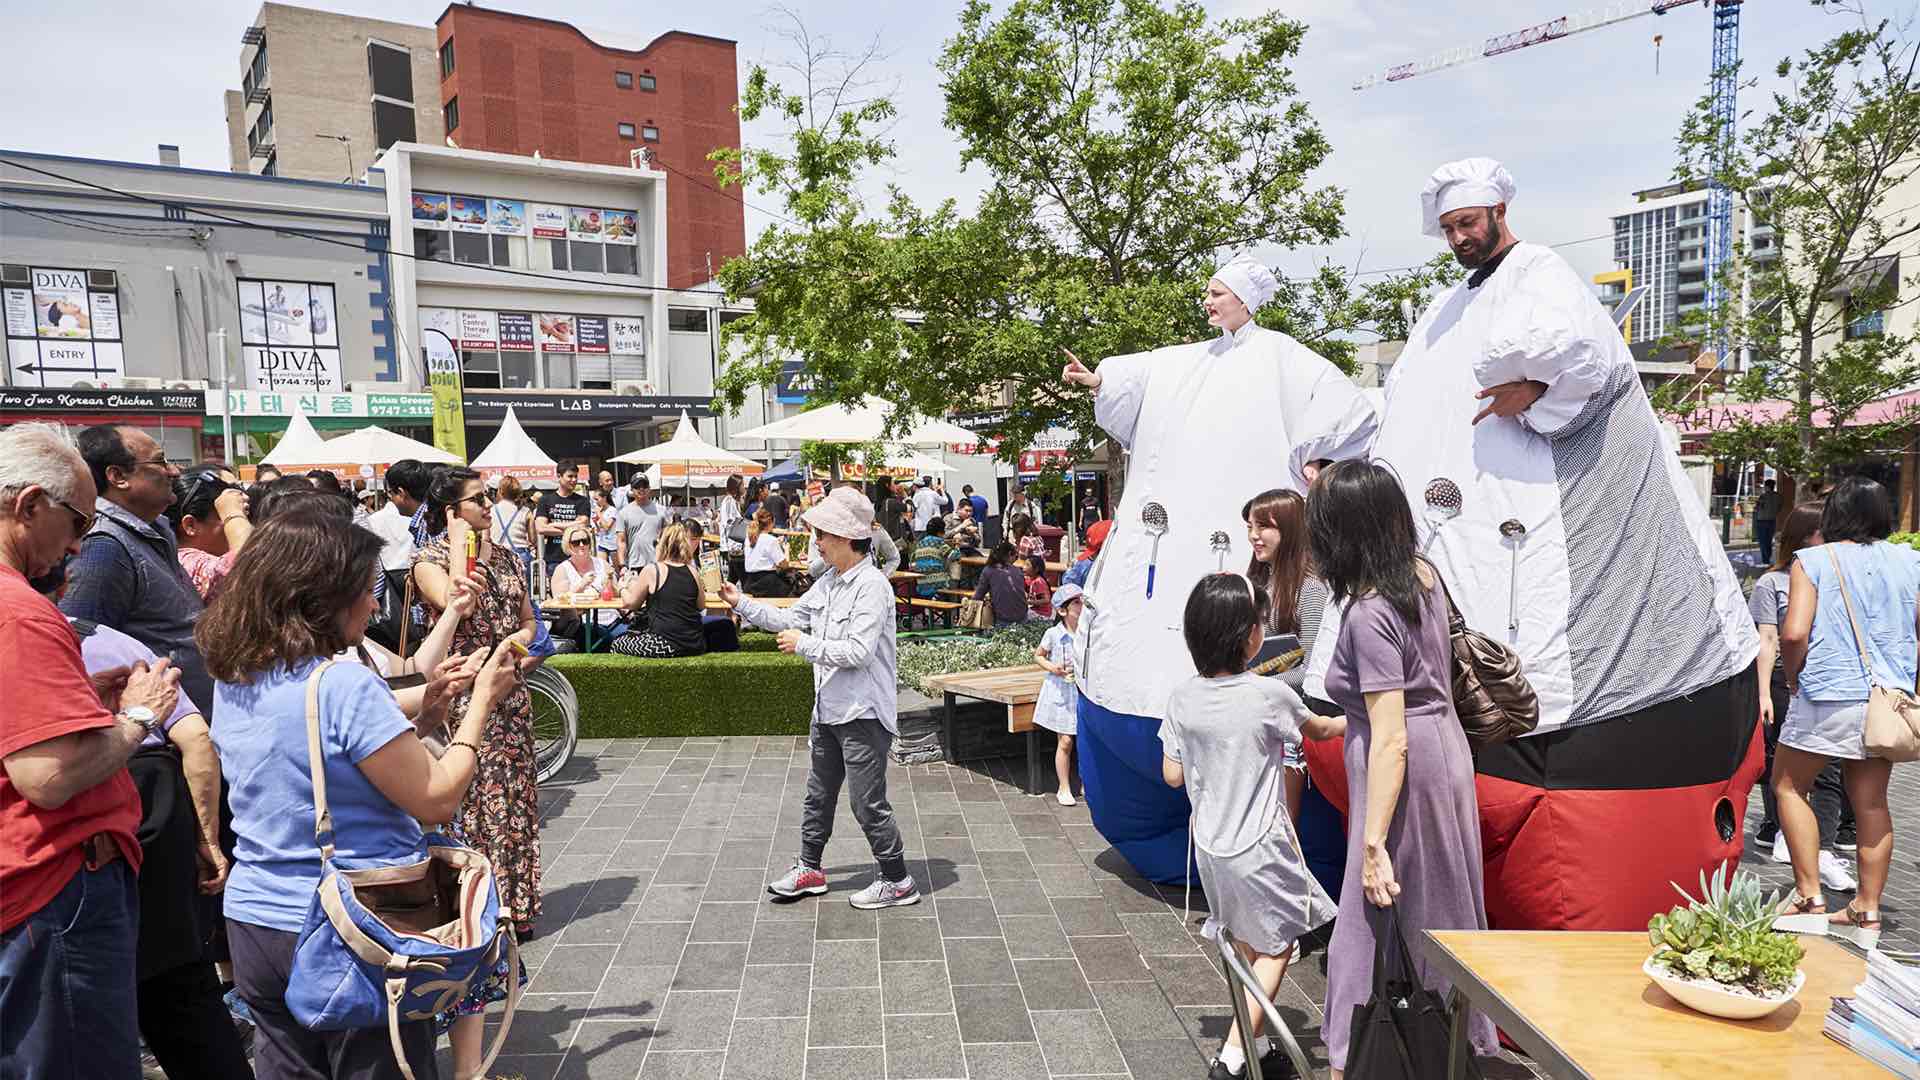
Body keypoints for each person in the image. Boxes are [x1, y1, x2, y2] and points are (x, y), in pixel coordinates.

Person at [1302, 157, 1761, 931]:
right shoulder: (1444, 314)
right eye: (1447, 228)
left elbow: (1571, 358)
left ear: (1498, 209)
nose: (1458, 237)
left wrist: (1536, 390)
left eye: (1467, 222)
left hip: (1595, 715)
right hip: (1454, 726)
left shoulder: (1542, 276)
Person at [1060, 255, 1377, 882]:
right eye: (1207, 292)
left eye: (1217, 292)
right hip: (1138, 678)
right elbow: (1133, 381)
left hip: (1265, 706)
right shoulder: (1180, 363)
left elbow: (1349, 414)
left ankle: (1282, 870)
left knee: (1278, 772)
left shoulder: (1288, 362)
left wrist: (1316, 459)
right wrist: (1101, 383)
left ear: (1245, 298)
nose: (1207, 301)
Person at [199, 506, 516, 1080]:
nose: (374, 604)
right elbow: (437, 797)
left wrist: (423, 715)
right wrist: (482, 705)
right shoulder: (343, 681)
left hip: (255, 919)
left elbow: (310, 763)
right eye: (363, 591)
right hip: (351, 923)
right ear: (321, 596)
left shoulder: (234, 675)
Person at [0, 422, 183, 1079]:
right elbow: (47, 776)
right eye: (77, 523)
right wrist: (140, 717)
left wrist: (83, 702)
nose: (80, 547)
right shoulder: (20, 611)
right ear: (28, 506)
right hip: (53, 888)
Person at [1307, 460, 1497, 1076]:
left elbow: (1391, 736)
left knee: (1368, 928)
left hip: (1403, 773)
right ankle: (1453, 1046)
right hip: (1443, 754)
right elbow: (1416, 691)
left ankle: (1355, 1059)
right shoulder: (1422, 576)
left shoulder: (1367, 611)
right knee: (1443, 913)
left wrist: (1370, 843)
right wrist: (1342, 726)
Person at [33, 556, 251, 1080]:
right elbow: (195, 738)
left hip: (78, 854)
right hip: (143, 834)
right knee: (182, 992)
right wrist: (206, 839)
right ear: (64, 583)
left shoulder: (44, 648)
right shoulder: (113, 645)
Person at [1160, 574, 1340, 1080]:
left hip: (1210, 848)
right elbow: (1321, 730)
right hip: (1261, 845)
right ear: (1249, 637)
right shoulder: (1267, 695)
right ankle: (1234, 1058)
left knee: (1243, 944)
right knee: (1279, 945)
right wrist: (1370, 716)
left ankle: (1257, 1048)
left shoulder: (1181, 697)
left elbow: (1172, 775)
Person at [722, 487, 918, 909]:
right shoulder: (829, 581)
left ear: (847, 537)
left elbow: (859, 653)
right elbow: (790, 617)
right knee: (818, 795)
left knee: (866, 803)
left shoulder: (872, 587)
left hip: (863, 711)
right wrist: (743, 603)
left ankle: (898, 879)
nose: (816, 541)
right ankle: (810, 867)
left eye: (823, 533)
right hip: (828, 708)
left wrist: (804, 645)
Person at [1770, 476, 1920, 949]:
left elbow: (1794, 633)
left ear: (1834, 513)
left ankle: (1810, 896)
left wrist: (1793, 678)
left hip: (1827, 693)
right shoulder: (1910, 560)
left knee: (1790, 786)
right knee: (1872, 803)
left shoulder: (1813, 560)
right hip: (1886, 700)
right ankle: (1867, 909)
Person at [412, 468, 544, 939]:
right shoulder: (430, 560)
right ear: (452, 513)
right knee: (476, 803)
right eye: (477, 500)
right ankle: (480, 907)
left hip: (511, 691)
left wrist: (519, 645)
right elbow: (455, 600)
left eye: (487, 497)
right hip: (464, 696)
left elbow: (529, 619)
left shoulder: (508, 557)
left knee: (516, 800)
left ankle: (518, 904)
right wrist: (460, 542)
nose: (488, 505)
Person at [60, 424, 217, 716]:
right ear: (118, 476)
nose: (174, 471)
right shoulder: (105, 546)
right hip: (160, 737)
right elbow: (85, 651)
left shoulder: (155, 529)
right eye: (159, 461)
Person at [1749, 501, 1855, 892]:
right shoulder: (1771, 583)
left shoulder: (1836, 578)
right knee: (1782, 765)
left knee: (1829, 769)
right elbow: (1768, 639)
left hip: (1826, 680)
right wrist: (1762, 693)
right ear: (1806, 535)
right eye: (1822, 531)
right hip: (1784, 678)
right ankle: (1779, 829)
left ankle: (1822, 848)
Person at [1245, 488, 1330, 821]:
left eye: (1264, 526)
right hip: (1256, 717)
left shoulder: (1310, 588)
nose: (1254, 536)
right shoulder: (1261, 581)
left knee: (1281, 824)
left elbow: (1311, 668)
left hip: (1289, 728)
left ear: (1291, 529)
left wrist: (1252, 683)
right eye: (1251, 526)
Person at [612, 523, 709, 658]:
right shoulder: (693, 571)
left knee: (617, 643)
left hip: (664, 643)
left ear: (662, 544)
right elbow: (701, 605)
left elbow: (631, 604)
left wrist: (621, 587)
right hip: (695, 643)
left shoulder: (653, 570)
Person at [170, 465, 254, 601]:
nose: (239, 526)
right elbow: (250, 566)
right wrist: (234, 513)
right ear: (190, 525)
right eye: (224, 516)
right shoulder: (185, 563)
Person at [1034, 584, 1085, 806]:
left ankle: (1087, 783)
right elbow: (1038, 655)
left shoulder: (1087, 632)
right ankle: (1063, 786)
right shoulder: (1053, 634)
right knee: (1065, 741)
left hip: (1082, 691)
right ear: (1062, 610)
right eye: (1076, 602)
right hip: (1062, 693)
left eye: (1081, 601)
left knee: (1085, 741)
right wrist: (1052, 667)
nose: (1081, 606)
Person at [534, 467, 592, 581]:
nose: (574, 480)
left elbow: (583, 524)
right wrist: (574, 529)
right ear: (559, 476)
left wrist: (553, 525)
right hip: (554, 558)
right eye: (570, 476)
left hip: (579, 557)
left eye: (576, 476)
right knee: (559, 595)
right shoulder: (545, 500)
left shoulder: (582, 501)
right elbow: (540, 528)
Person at [616, 474, 668, 573]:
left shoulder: (661, 510)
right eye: (637, 486)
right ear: (632, 489)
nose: (641, 489)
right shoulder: (623, 513)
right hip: (634, 565)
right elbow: (621, 541)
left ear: (649, 488)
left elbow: (667, 537)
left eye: (644, 486)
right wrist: (622, 565)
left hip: (657, 563)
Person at [972, 542, 1030, 627]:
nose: (1015, 560)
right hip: (1023, 617)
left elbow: (978, 596)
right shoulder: (1018, 571)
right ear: (1010, 554)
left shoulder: (988, 570)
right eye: (1016, 557)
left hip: (1003, 619)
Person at [489, 474, 536, 569]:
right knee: (524, 583)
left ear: (500, 491)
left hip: (497, 554)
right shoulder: (526, 511)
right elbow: (533, 539)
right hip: (520, 555)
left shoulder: (491, 510)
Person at [744, 509, 792, 598]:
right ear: (771, 522)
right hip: (768, 585)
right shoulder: (771, 540)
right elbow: (784, 565)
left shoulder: (749, 538)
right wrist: (786, 550)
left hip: (750, 583)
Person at [910, 517, 956, 599]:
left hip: (921, 583)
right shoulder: (939, 542)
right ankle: (952, 609)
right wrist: (957, 547)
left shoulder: (920, 543)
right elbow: (954, 556)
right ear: (940, 532)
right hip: (937, 583)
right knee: (954, 583)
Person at [1063, 519, 1109, 589]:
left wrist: (1070, 569)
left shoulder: (1083, 564)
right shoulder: (1083, 564)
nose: (1092, 556)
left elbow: (1067, 582)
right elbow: (1068, 583)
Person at [1755, 479, 1782, 565]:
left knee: (1763, 541)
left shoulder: (1763, 496)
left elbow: (1758, 507)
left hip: (1762, 521)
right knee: (1769, 540)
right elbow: (1779, 507)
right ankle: (1768, 557)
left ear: (1767, 487)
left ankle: (1765, 560)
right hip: (1772, 520)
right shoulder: (1778, 496)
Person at [1024, 554, 1052, 618]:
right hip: (1035, 611)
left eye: (1027, 565)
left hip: (1042, 614)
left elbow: (1046, 600)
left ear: (1036, 569)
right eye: (1024, 564)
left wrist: (1028, 602)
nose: (1024, 567)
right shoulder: (1030, 579)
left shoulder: (1038, 582)